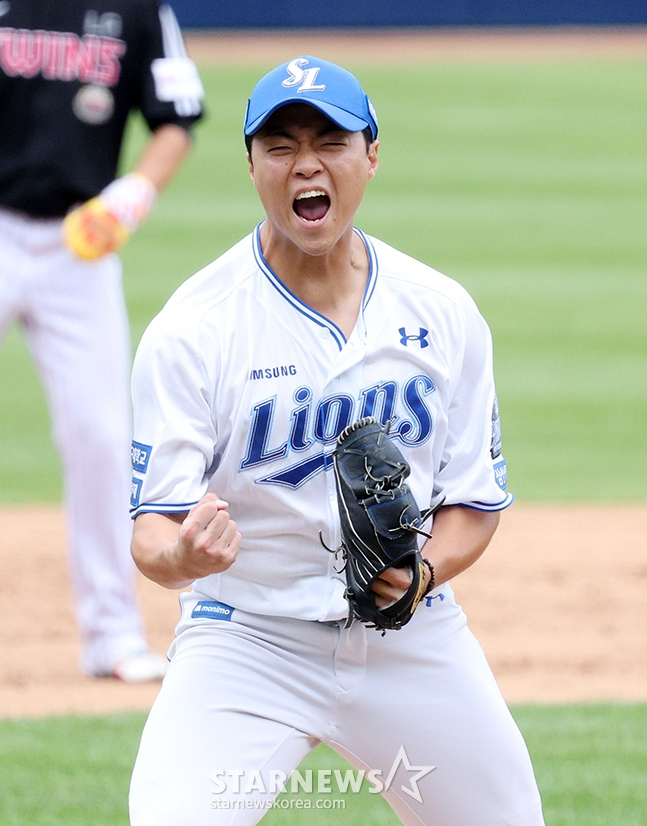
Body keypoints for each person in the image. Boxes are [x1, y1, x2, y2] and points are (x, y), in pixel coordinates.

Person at [127, 56, 545, 824]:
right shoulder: (193, 330)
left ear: (371, 156)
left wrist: (419, 577)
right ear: (251, 165)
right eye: (280, 145)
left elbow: (472, 503)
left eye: (330, 142)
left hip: (411, 642)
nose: (305, 164)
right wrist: (182, 558)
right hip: (247, 641)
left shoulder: (441, 312)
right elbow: (152, 528)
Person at [0, 1, 203, 682]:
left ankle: (111, 635)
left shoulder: (138, 7)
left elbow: (177, 117)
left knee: (100, 437)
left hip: (78, 249)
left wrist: (130, 196)